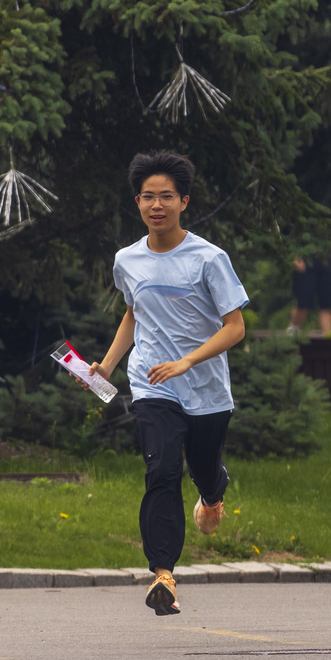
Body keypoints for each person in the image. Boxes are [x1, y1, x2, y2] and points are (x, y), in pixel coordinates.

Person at [87, 151, 248, 616]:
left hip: (208, 390)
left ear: (183, 201)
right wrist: (109, 366)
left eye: (166, 197)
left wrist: (189, 361)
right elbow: (134, 313)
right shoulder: (127, 259)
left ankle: (213, 494)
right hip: (153, 383)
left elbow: (235, 327)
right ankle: (164, 575)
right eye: (147, 197)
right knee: (161, 471)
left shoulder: (209, 258)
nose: (156, 205)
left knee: (202, 468)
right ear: (137, 202)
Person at [289, 233, 331, 336]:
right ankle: (293, 329)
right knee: (303, 302)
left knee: (327, 304)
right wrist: (294, 257)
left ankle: (327, 337)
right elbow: (293, 233)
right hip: (306, 261)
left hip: (327, 263)